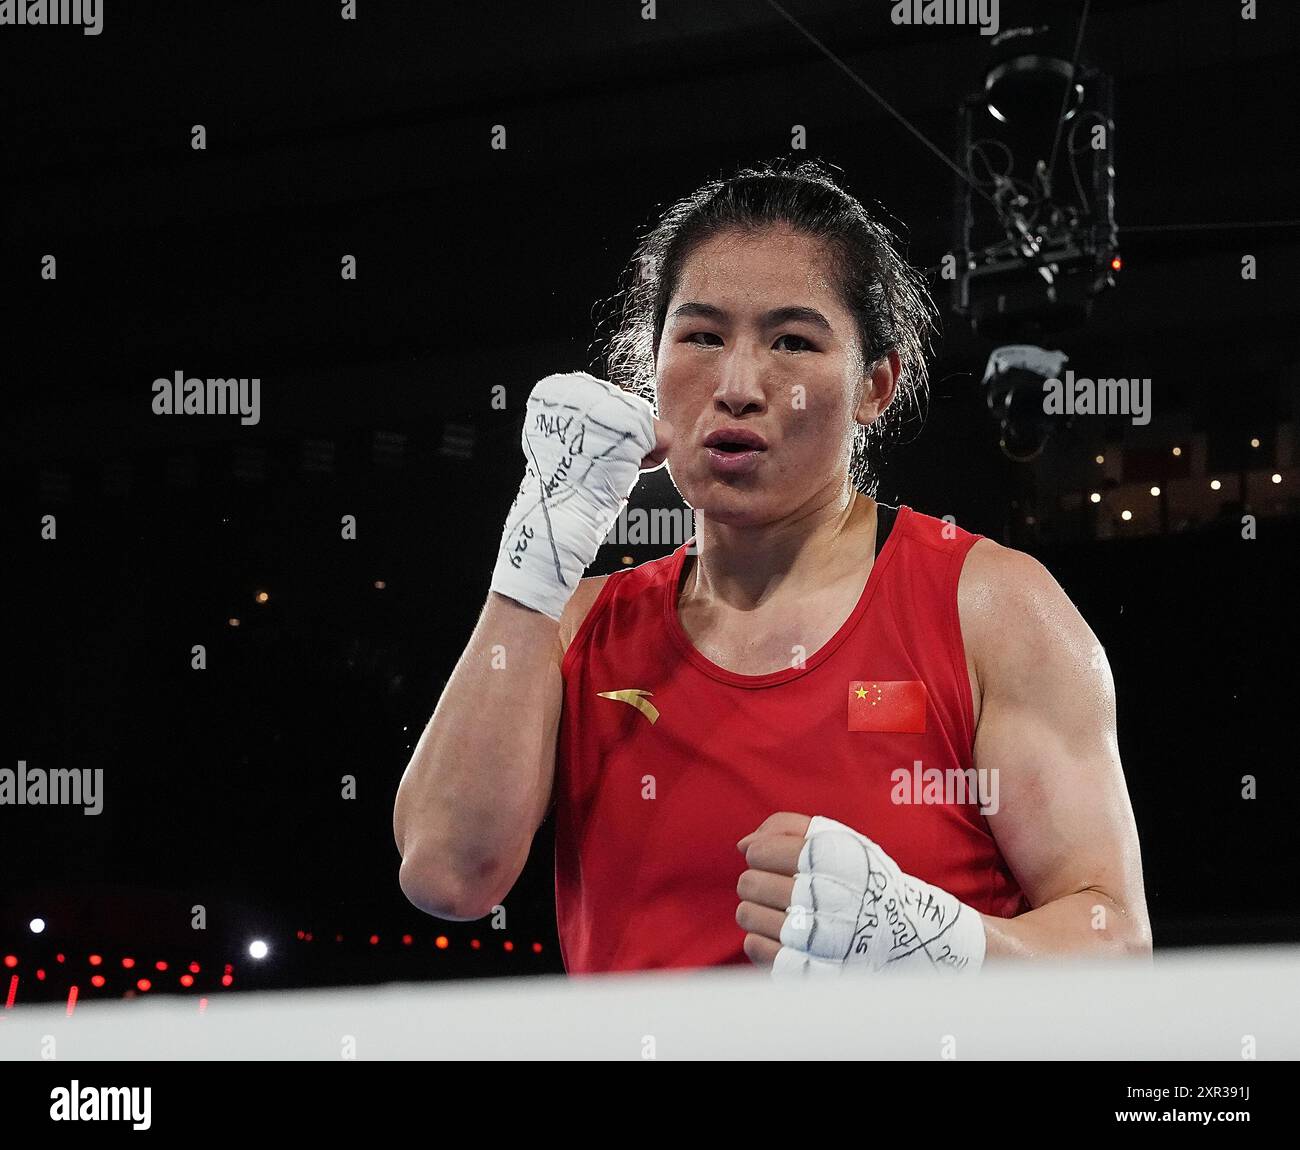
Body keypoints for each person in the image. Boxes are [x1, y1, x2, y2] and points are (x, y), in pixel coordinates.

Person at [393, 158, 1152, 977]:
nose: (739, 385)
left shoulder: (991, 606)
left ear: (875, 386)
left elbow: (1115, 944)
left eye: (793, 340)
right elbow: (448, 874)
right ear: (649, 367)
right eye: (701, 336)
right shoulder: (572, 622)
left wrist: (941, 947)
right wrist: (533, 553)